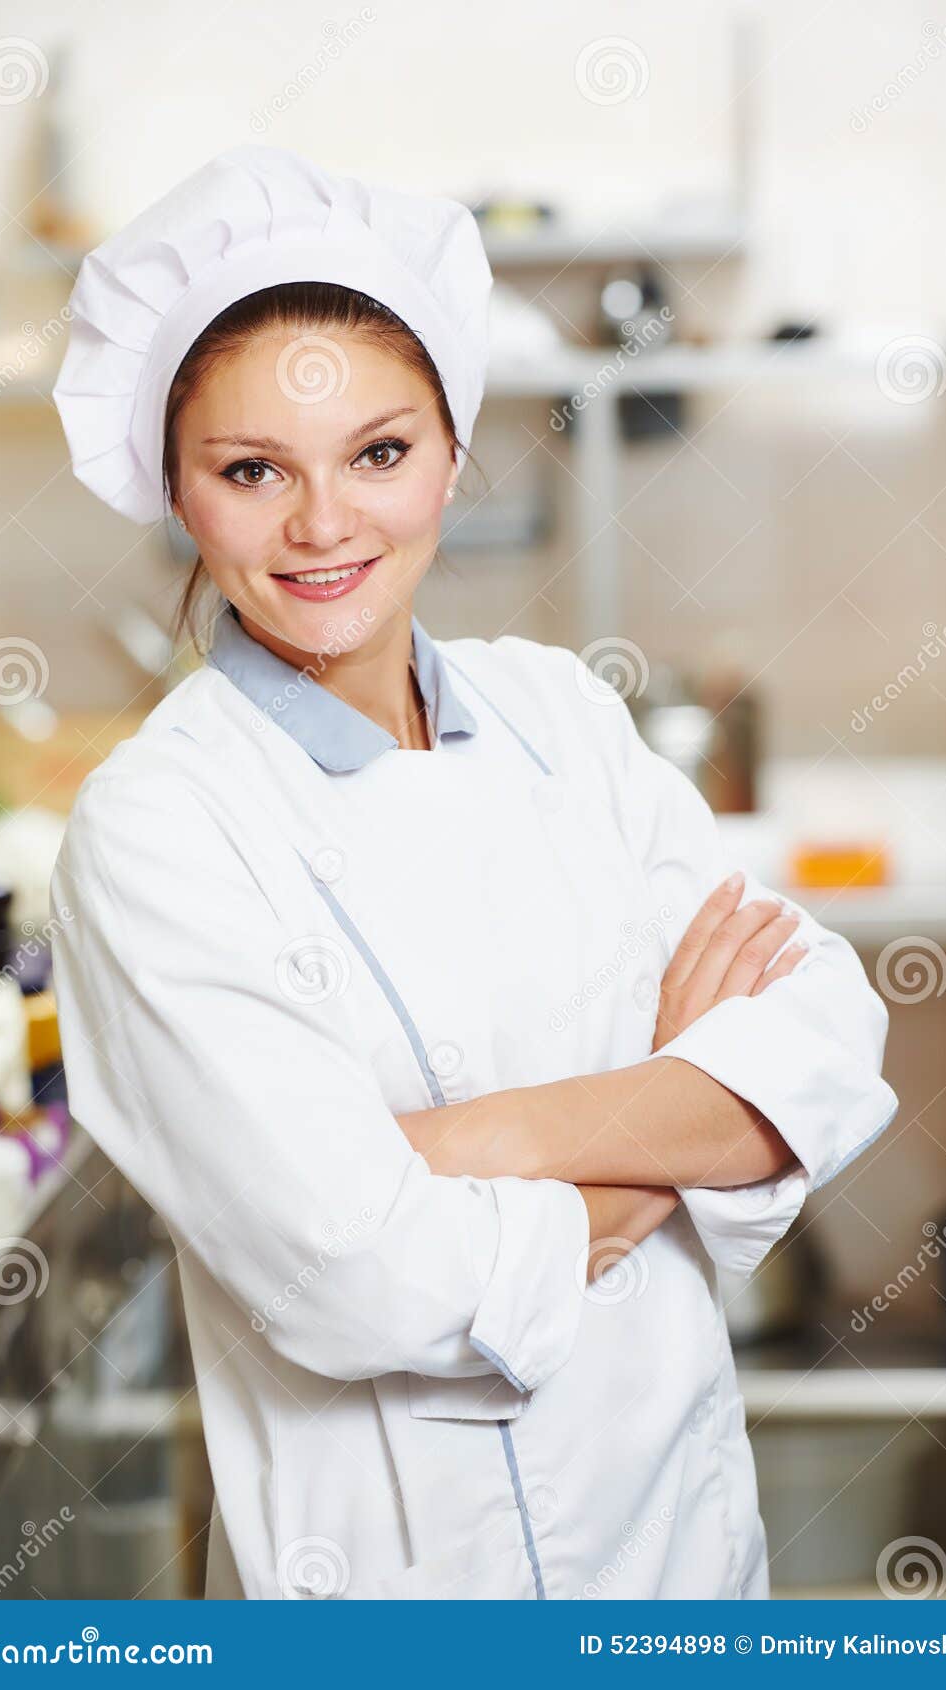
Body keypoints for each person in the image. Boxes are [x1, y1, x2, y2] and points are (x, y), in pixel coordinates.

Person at [48, 145, 898, 1601]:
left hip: (689, 1572)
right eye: (253, 470)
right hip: (396, 1605)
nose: (325, 527)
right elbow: (352, 1268)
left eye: (379, 453)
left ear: (451, 450)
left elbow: (822, 1040)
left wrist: (449, 1146)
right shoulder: (156, 825)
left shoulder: (556, 709)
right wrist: (673, 1131)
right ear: (181, 495)